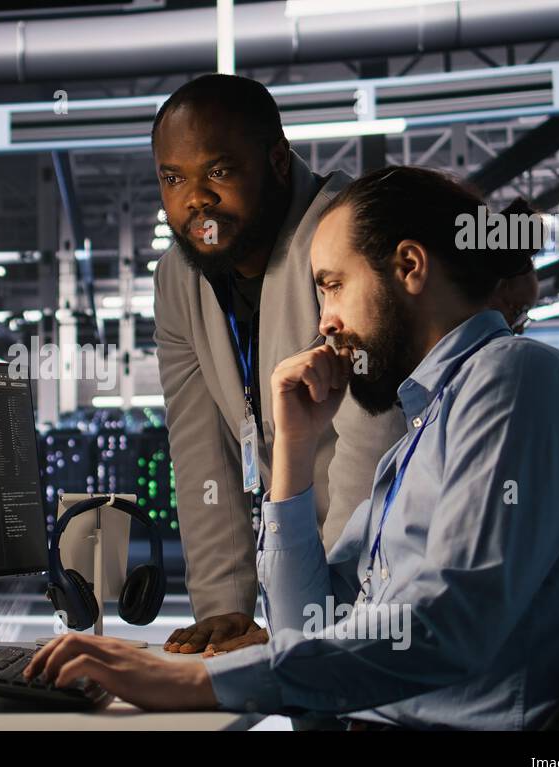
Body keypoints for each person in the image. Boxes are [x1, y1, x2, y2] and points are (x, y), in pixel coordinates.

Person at [25, 166, 559, 729]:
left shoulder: (513, 379)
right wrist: (292, 450)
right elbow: (306, 625)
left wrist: (194, 678)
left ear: (410, 267)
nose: (325, 321)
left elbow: (449, 629)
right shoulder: (421, 428)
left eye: (334, 285)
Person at [152, 73, 403, 654]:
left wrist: (333, 612)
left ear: (276, 160)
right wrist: (223, 609)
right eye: (172, 177)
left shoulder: (347, 237)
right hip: (298, 573)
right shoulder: (175, 280)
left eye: (218, 170)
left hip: (383, 579)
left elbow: (372, 442)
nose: (196, 199)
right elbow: (200, 453)